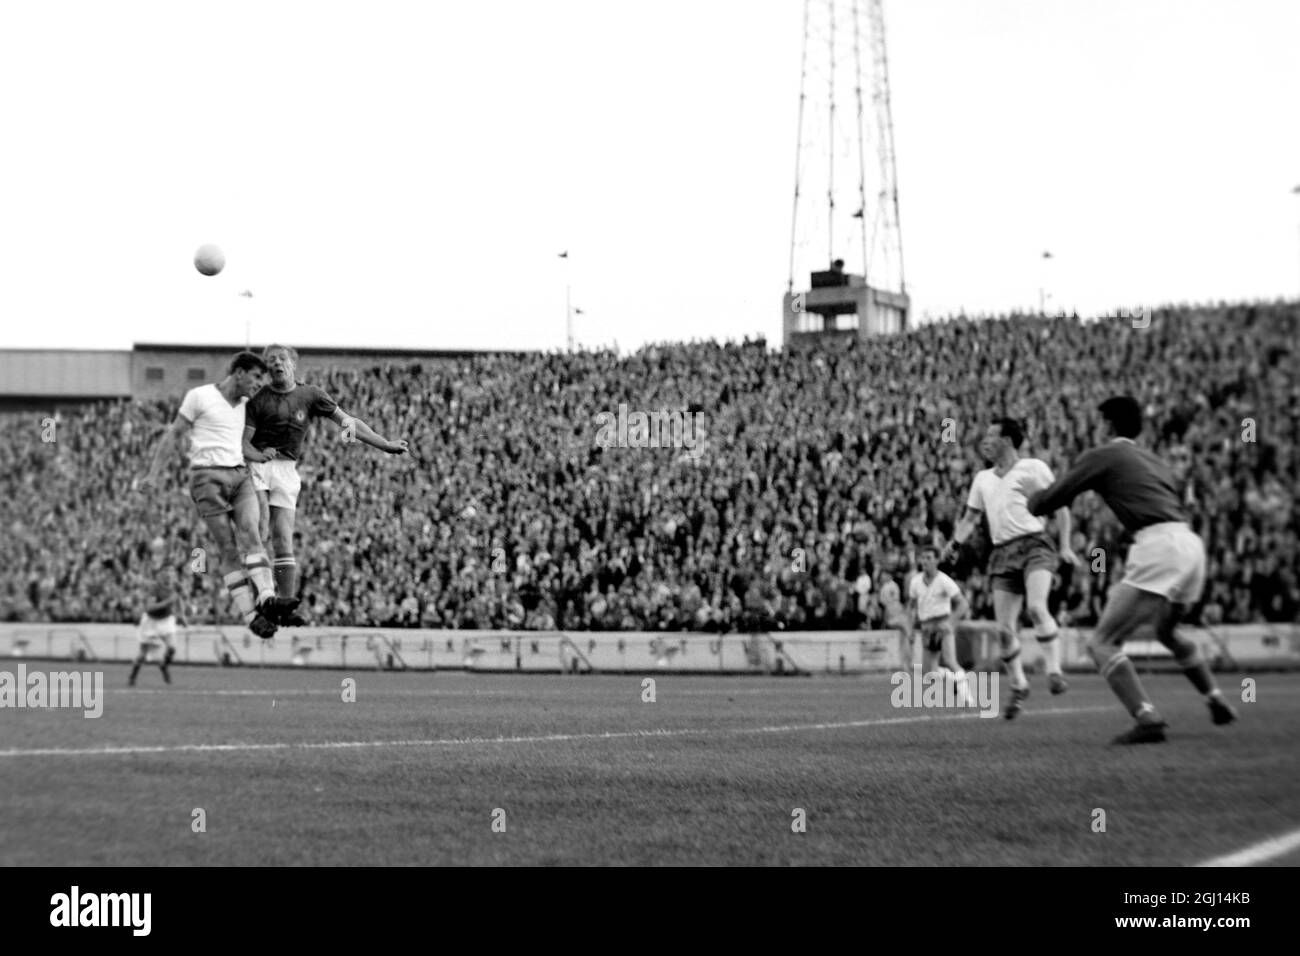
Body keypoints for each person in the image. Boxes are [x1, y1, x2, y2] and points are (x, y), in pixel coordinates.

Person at [1025, 395, 1238, 744]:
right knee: (1168, 632)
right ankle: (1214, 699)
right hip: (1190, 544)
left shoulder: (1104, 454)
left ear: (1108, 424)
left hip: (1159, 546)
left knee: (1102, 642)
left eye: (1099, 422)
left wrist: (1031, 496)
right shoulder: (1155, 460)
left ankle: (1147, 716)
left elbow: (1052, 499)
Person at [243, 344, 409, 624]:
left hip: (286, 469)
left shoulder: (310, 395)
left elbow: (348, 423)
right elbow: (243, 442)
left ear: (293, 364)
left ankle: (284, 608)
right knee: (261, 529)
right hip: (258, 465)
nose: (276, 363)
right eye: (270, 361)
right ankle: (262, 597)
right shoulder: (258, 399)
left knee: (284, 538)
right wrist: (256, 455)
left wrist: (384, 444)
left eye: (282, 358)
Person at [139, 351, 296, 638]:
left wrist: (260, 455)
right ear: (239, 373)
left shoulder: (248, 405)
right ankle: (251, 615)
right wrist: (153, 473)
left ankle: (266, 597)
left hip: (239, 474)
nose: (259, 384)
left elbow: (245, 440)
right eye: (256, 377)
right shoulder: (199, 396)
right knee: (228, 547)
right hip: (206, 476)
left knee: (252, 533)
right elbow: (174, 435)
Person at [945, 417, 1080, 718]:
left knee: (1036, 607)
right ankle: (1019, 684)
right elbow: (970, 519)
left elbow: (1061, 508)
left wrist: (1066, 545)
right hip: (1002, 552)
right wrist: (954, 545)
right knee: (1004, 630)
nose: (986, 441)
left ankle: (1054, 671)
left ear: (1007, 440)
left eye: (992, 436)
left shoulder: (1033, 468)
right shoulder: (982, 479)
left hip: (1035, 545)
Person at [906, 545, 971, 694]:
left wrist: (950, 622)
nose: (925, 561)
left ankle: (967, 696)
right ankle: (954, 679)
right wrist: (910, 629)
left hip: (942, 625)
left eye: (929, 558)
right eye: (923, 558)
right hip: (926, 628)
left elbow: (963, 603)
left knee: (950, 661)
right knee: (928, 673)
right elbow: (911, 607)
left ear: (936, 561)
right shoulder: (915, 581)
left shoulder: (944, 580)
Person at [129, 584, 186, 686]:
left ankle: (164, 665)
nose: (170, 573)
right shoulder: (154, 587)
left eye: (172, 570)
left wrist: (182, 615)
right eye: (167, 570)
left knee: (172, 648)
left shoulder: (176, 586)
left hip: (166, 620)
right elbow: (149, 608)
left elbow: (178, 600)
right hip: (151, 621)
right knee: (142, 655)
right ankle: (132, 676)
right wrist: (167, 602)